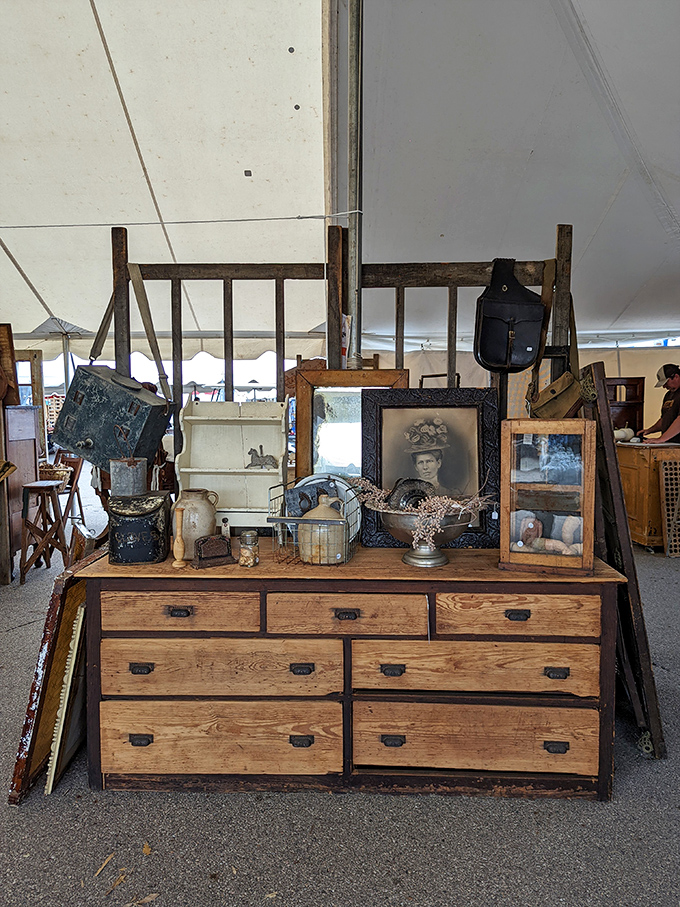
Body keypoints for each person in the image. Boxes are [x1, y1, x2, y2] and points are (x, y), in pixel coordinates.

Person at [404, 417, 453, 496]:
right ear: (416, 467)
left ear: (439, 463)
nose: (425, 467)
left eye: (429, 461)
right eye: (420, 462)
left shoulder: (450, 493)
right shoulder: (408, 494)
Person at [637, 364, 680, 444]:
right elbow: (664, 419)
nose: (664, 386)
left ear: (676, 377)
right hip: (671, 444)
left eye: (666, 382)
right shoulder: (668, 395)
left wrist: (661, 439)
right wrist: (649, 430)